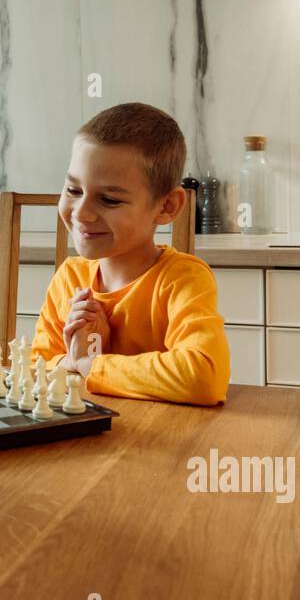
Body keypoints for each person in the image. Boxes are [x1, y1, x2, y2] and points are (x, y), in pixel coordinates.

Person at [30, 102, 229, 405]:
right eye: (73, 190)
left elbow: (203, 377)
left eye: (108, 199)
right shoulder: (69, 277)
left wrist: (88, 364)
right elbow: (35, 369)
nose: (82, 214)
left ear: (167, 207)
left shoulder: (183, 279)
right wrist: (81, 357)